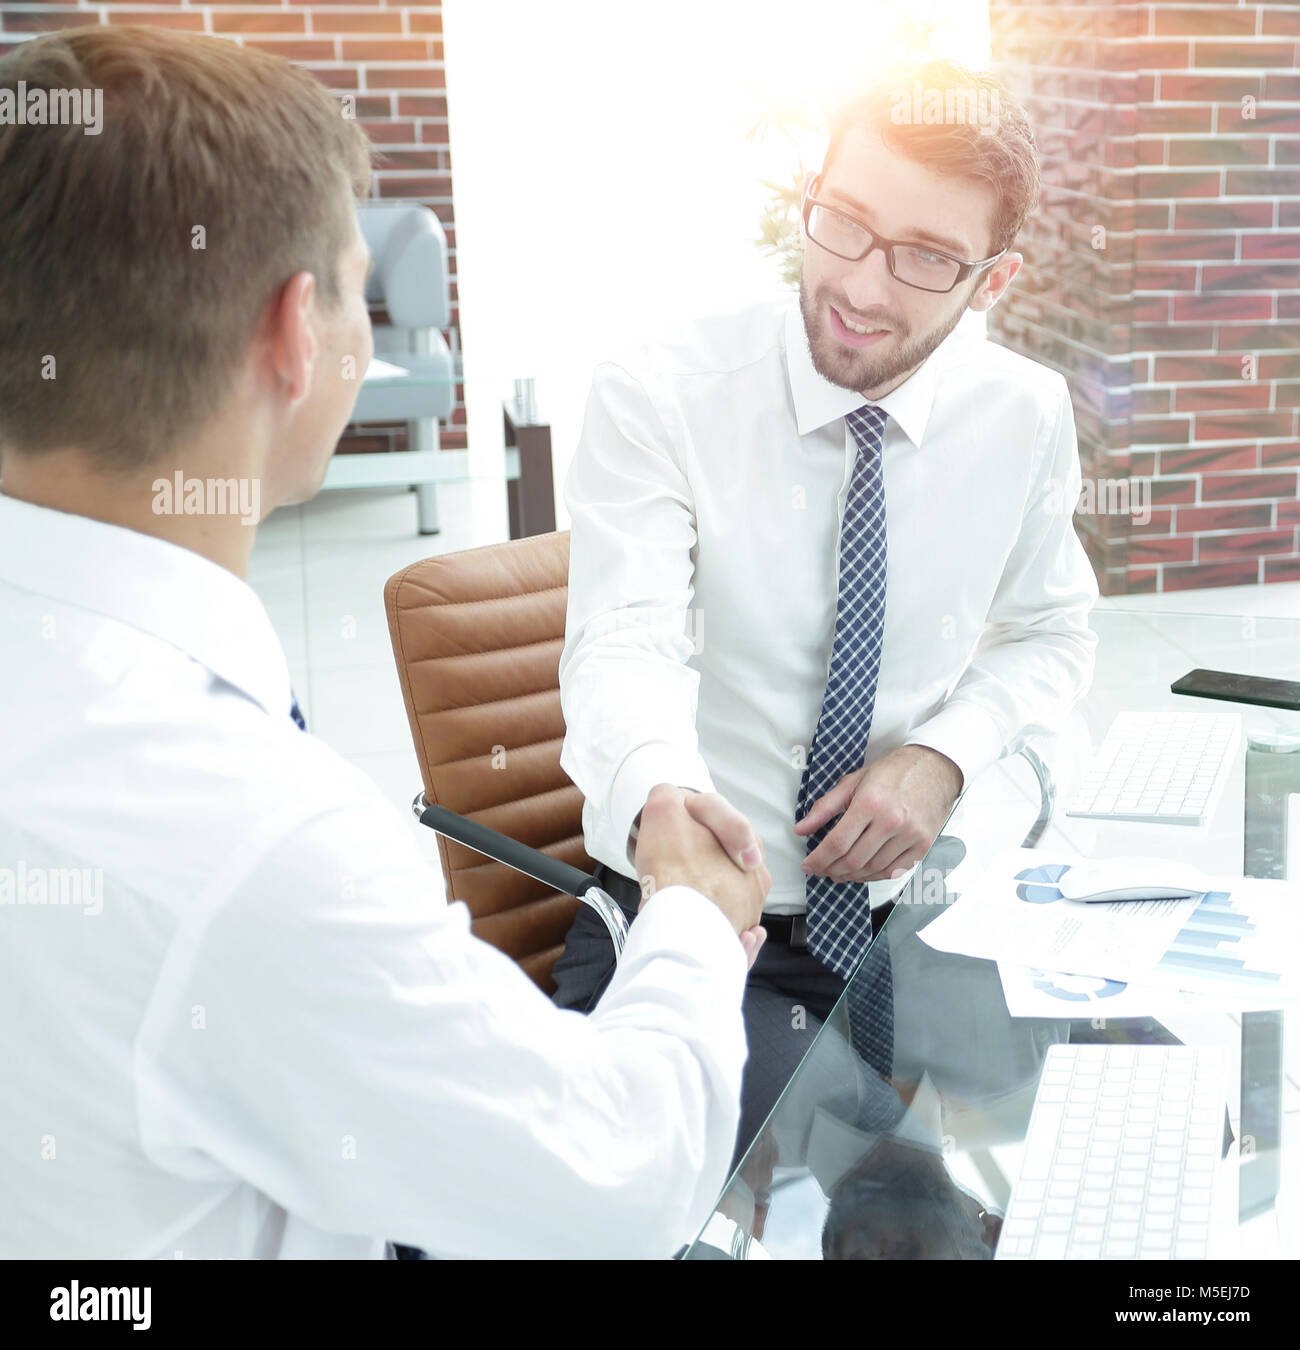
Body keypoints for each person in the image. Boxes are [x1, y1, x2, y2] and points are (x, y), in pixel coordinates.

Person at [0, 26, 772, 1260]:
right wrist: (686, 913)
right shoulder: (249, 838)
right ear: (296, 333)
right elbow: (611, 1189)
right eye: (361, 286)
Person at [554, 56, 1100, 1159]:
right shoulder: (659, 389)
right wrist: (665, 800)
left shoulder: (1024, 414)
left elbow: (1049, 632)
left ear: (990, 282)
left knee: (1116, 1150)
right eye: (842, 223)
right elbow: (623, 644)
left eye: (923, 258)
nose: (859, 285)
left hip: (927, 912)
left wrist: (943, 758)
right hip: (710, 920)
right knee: (631, 1195)